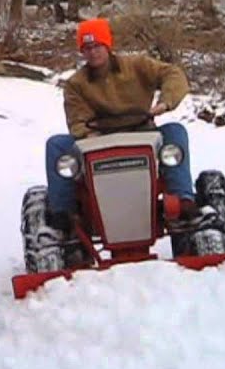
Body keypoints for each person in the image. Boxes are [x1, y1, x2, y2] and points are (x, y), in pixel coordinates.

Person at [43, 17, 199, 233]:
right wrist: (87, 134)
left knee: (175, 132)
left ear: (108, 45)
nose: (93, 52)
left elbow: (173, 74)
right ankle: (64, 215)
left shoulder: (137, 66)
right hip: (98, 139)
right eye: (87, 48)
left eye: (97, 45)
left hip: (142, 132)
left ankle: (182, 199)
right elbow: (77, 118)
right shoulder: (76, 84)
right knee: (57, 145)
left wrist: (165, 102)